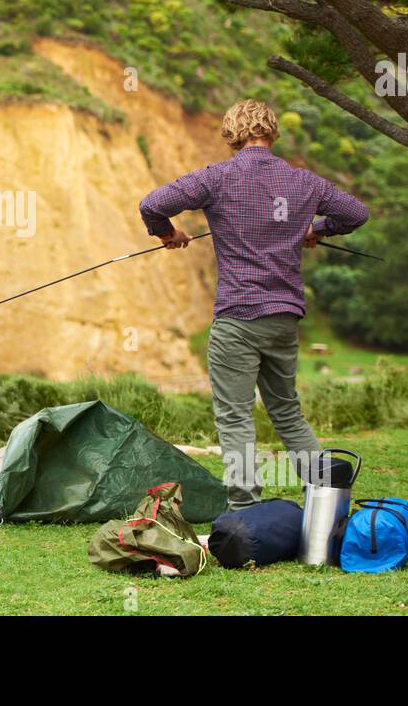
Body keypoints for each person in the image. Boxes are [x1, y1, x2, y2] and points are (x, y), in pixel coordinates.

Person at [137, 99, 368, 510]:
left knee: (235, 416)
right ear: (272, 133)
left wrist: (167, 233)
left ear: (231, 134)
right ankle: (327, 500)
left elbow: (153, 204)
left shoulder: (218, 177)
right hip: (283, 316)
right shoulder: (304, 182)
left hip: (238, 317)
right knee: (287, 412)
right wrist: (315, 228)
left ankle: (244, 510)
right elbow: (355, 213)